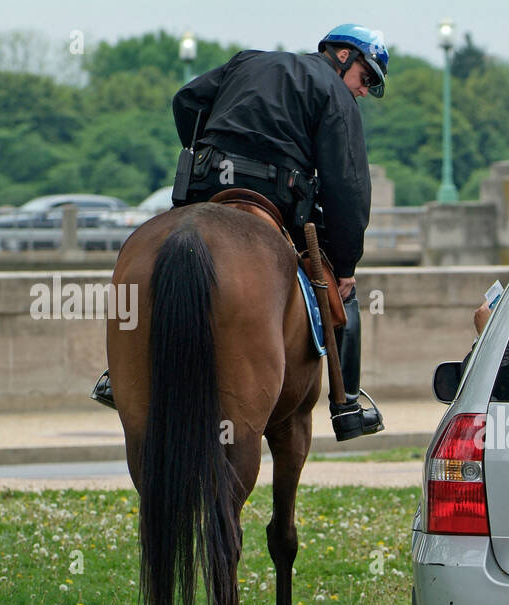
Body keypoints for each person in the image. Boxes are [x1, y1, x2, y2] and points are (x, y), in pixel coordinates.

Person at [92, 24, 387, 439]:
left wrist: (207, 151)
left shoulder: (247, 60)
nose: (363, 90)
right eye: (366, 77)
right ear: (343, 56)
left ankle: (116, 375)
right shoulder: (334, 93)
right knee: (345, 294)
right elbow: (348, 186)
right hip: (277, 196)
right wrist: (346, 263)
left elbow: (187, 99)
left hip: (209, 185)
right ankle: (347, 404)